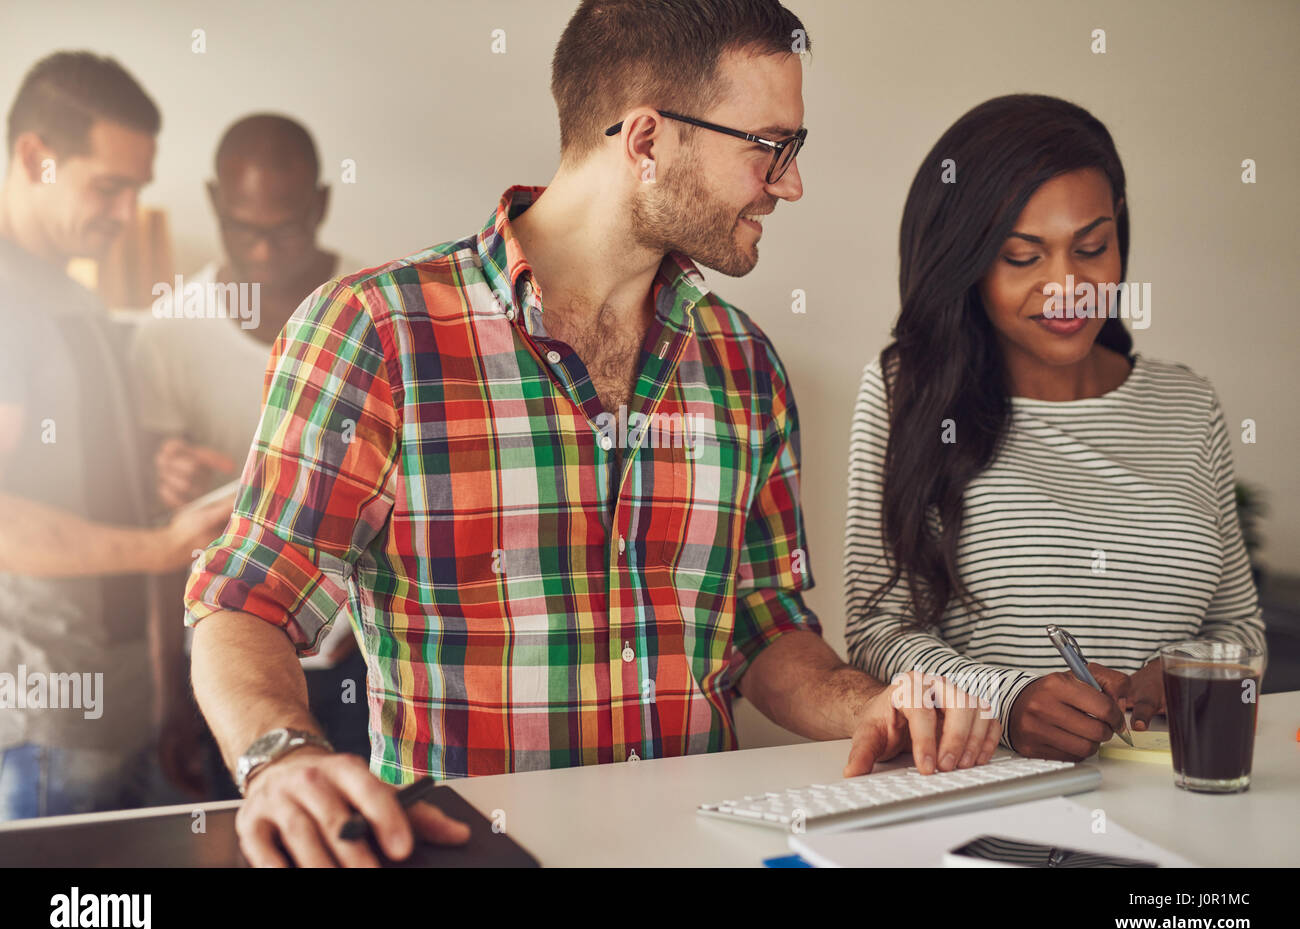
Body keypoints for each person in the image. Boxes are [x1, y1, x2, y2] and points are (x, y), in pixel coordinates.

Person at [185, 0, 1000, 869]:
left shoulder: (743, 363)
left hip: (701, 851)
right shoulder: (377, 332)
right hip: (470, 853)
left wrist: (865, 705)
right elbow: (244, 602)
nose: (789, 182)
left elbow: (764, 626)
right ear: (647, 140)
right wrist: (281, 758)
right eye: (769, 145)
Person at [844, 93, 1267, 763]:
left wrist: (1183, 671)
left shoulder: (1189, 404)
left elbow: (1237, 626)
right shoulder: (909, 394)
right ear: (971, 264)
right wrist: (1006, 702)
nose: (1068, 285)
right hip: (991, 787)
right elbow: (878, 629)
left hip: (1177, 785)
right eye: (1022, 257)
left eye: (1091, 247)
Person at [0, 51, 232, 821]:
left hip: (117, 704)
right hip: (42, 722)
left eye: (137, 189)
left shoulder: (75, 296)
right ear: (36, 157)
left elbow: (64, 462)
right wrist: (165, 546)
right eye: (108, 185)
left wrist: (150, 471)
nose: (127, 212)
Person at [129, 114, 369, 799]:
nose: (263, 254)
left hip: (361, 659)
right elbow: (161, 541)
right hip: (221, 658)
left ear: (320, 204)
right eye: (244, 229)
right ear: (213, 204)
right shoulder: (168, 334)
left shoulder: (374, 314)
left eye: (285, 228)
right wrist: (168, 696)